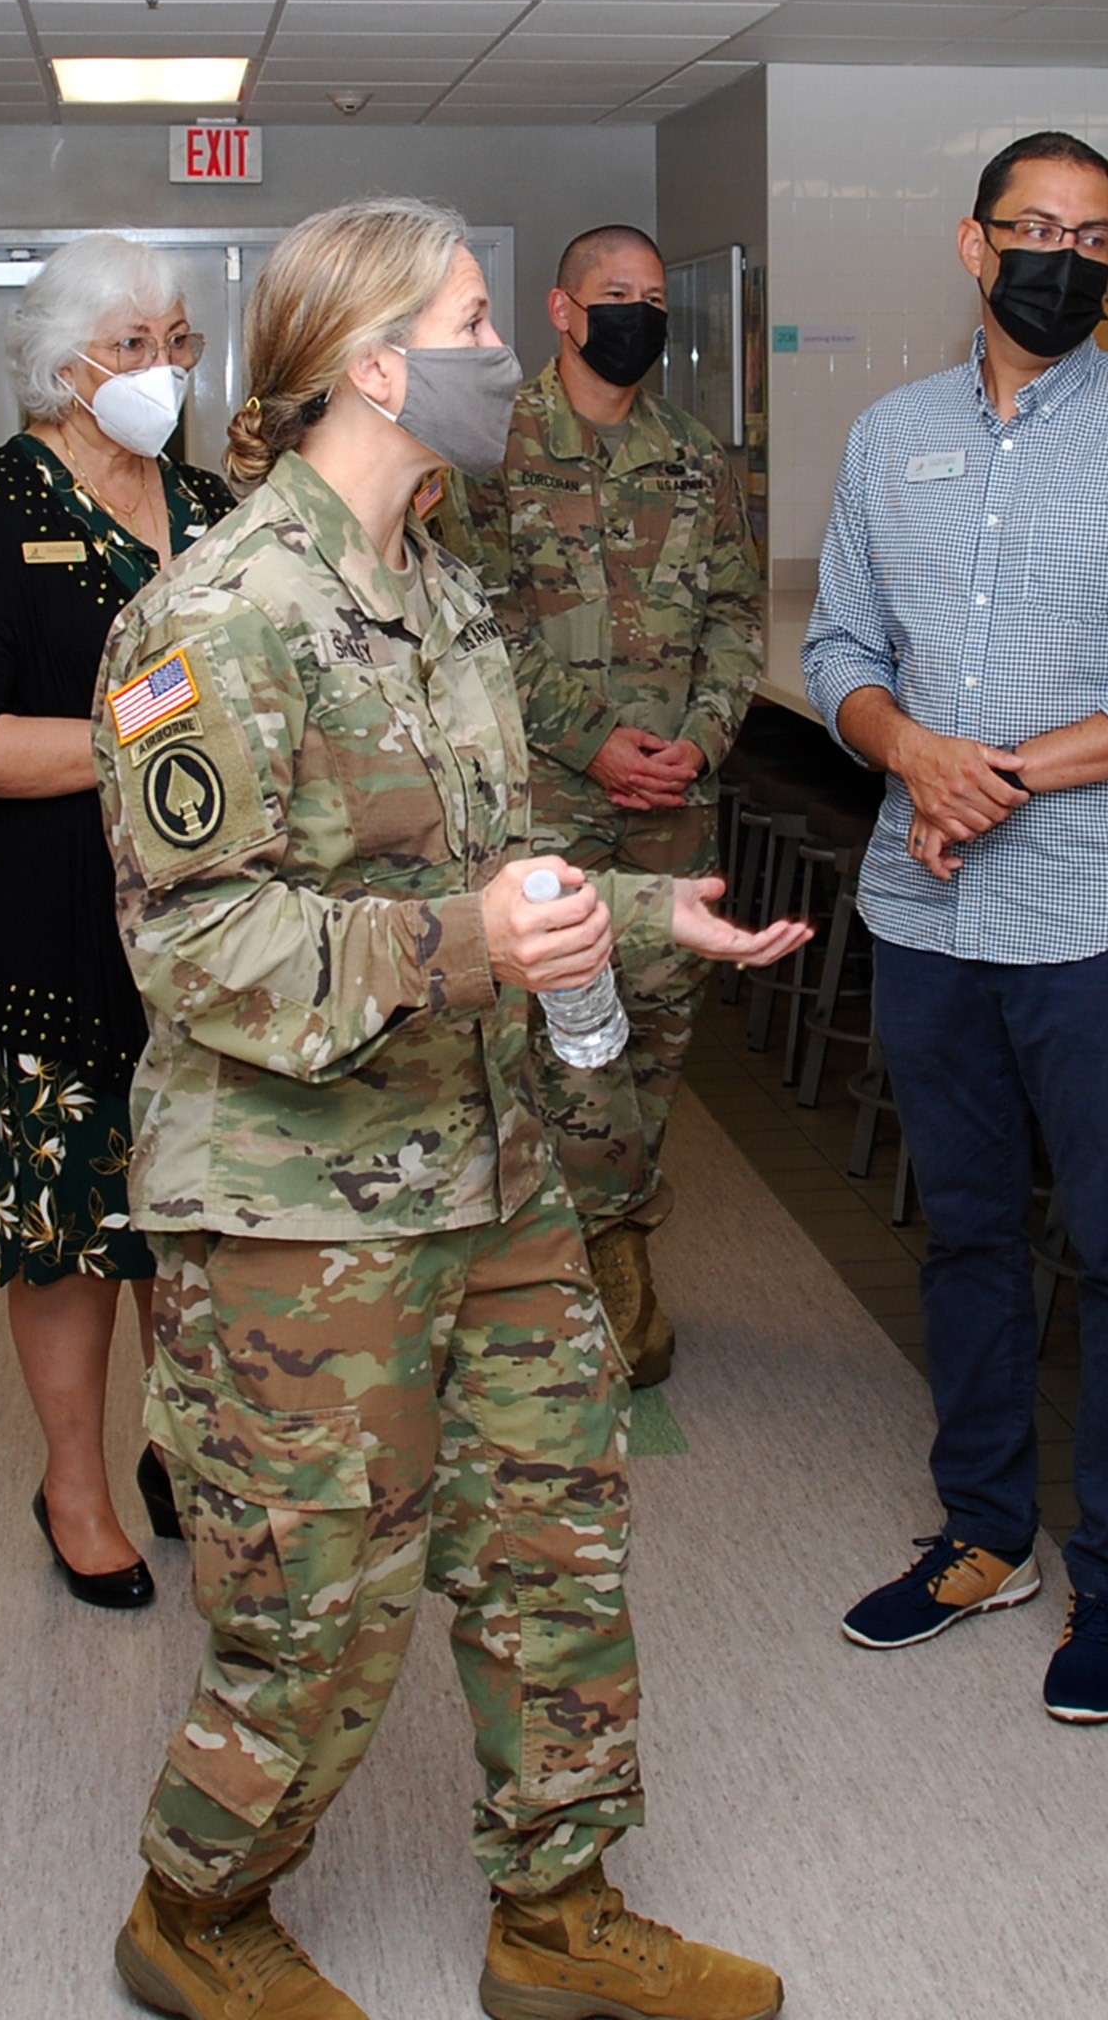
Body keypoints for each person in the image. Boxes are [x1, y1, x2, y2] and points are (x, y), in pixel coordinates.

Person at [94, 196, 807, 2020]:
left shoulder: (438, 582)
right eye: (482, 322)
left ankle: (558, 1908)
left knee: (554, 1543)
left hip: (488, 1170)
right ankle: (200, 1911)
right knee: (317, 1607)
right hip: (295, 1206)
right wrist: (458, 940)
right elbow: (201, 949)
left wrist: (644, 910)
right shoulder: (215, 616)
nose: (508, 357)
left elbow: (497, 864)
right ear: (377, 362)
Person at [810, 130, 1108, 1730]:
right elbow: (839, 648)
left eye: (1093, 235)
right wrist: (905, 750)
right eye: (1033, 228)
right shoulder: (889, 437)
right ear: (971, 243)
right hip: (925, 907)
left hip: (1101, 914)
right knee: (968, 1235)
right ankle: (985, 1532)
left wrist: (988, 771)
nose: (1062, 257)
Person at [0, 230, 233, 1609]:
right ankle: (74, 1483)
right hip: (55, 929)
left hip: (209, 933)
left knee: (193, 1214)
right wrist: (130, 739)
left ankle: (176, 1445)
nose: (163, 371)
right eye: (135, 346)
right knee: (68, 1225)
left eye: (176, 344)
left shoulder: (215, 502)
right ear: (62, 366)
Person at [433, 221, 763, 1384]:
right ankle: (574, 1266)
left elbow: (734, 618)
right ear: (562, 312)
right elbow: (474, 625)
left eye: (653, 298)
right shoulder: (488, 449)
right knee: (560, 1049)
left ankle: (608, 1244)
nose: (638, 315)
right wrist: (590, 741)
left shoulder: (693, 455)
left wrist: (698, 739)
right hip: (547, 807)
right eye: (613, 295)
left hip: (673, 806)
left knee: (658, 1041)